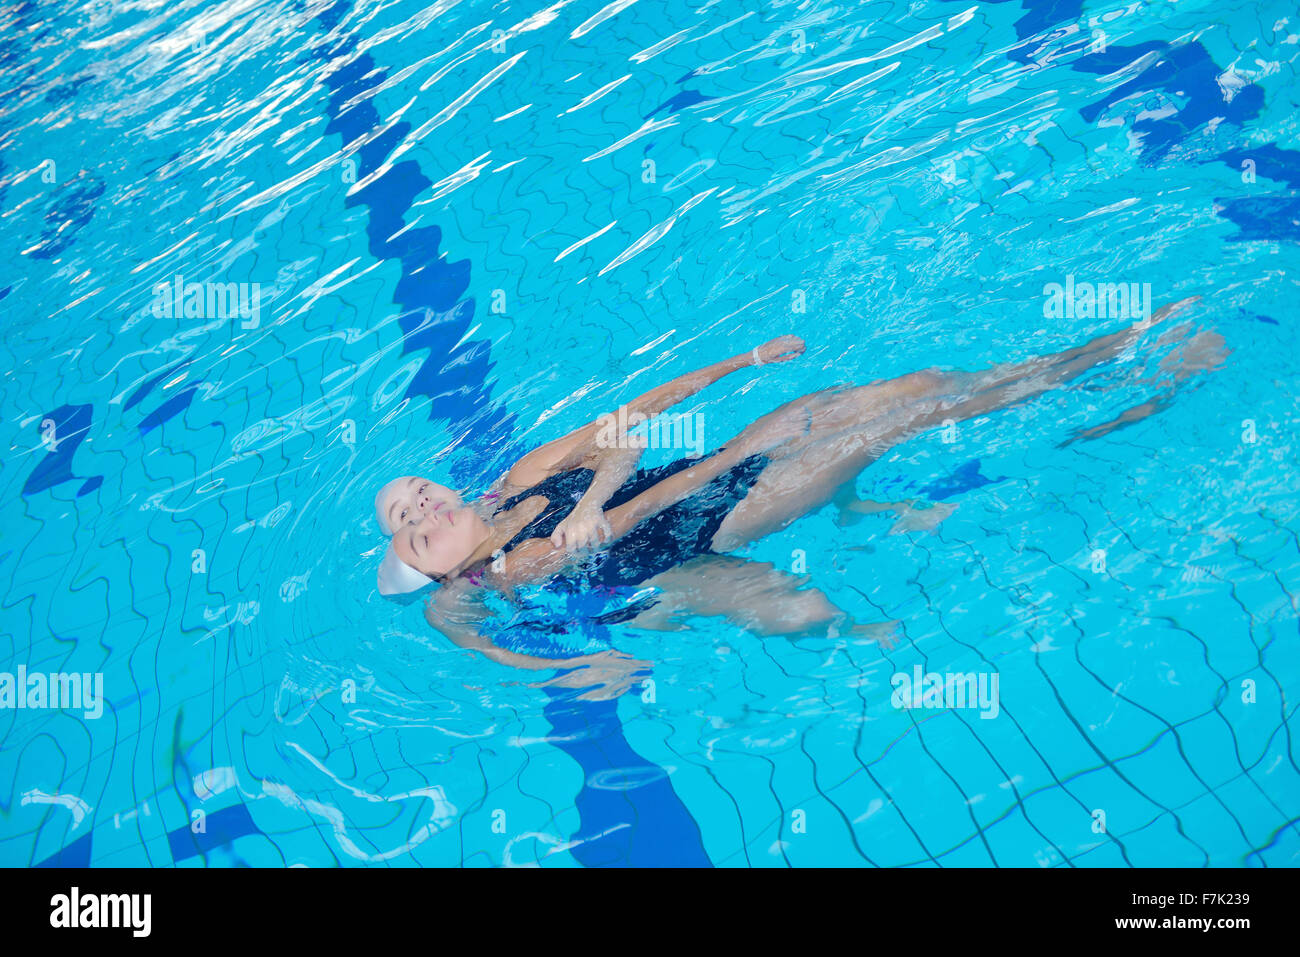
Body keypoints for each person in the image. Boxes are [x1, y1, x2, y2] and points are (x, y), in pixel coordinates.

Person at [383, 298, 1205, 698]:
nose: (422, 511)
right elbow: (640, 509)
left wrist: (743, 362)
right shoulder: (506, 571)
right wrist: (573, 669)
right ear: (429, 569)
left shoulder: (522, 476)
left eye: (418, 495)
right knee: (916, 415)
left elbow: (631, 417)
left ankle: (1085, 369)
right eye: (411, 531)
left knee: (905, 385)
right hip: (717, 509)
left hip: (695, 484)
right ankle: (1130, 368)